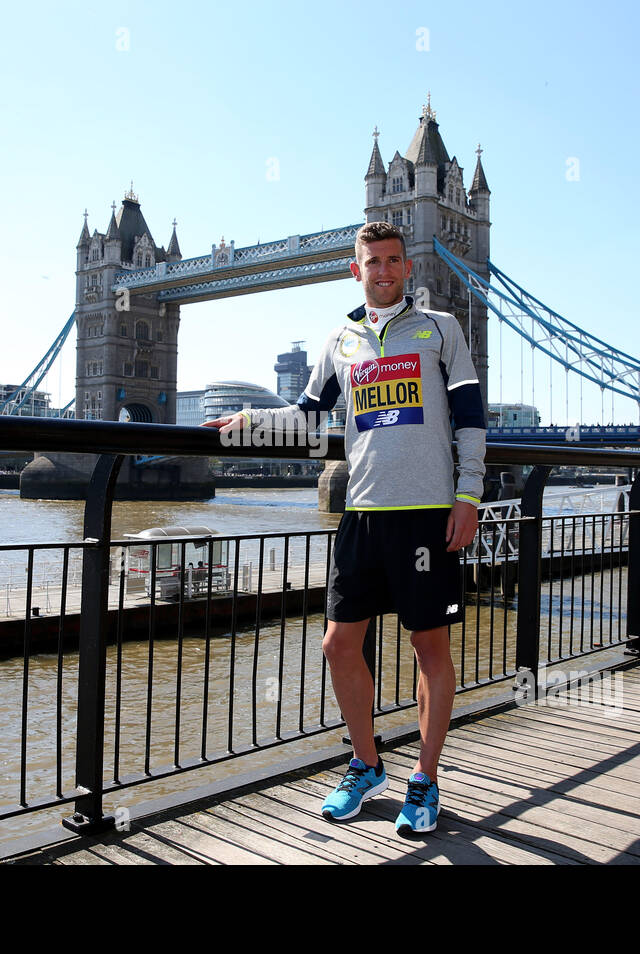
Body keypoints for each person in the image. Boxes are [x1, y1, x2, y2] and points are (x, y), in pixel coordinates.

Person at [203, 221, 486, 834]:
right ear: (353, 270)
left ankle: (425, 780)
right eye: (371, 262)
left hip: (424, 514)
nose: (382, 270)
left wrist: (468, 495)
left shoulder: (442, 330)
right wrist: (249, 421)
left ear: (407, 268)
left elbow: (469, 417)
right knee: (337, 646)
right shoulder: (340, 339)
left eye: (392, 260)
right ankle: (366, 763)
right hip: (360, 511)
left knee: (428, 647)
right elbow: (306, 415)